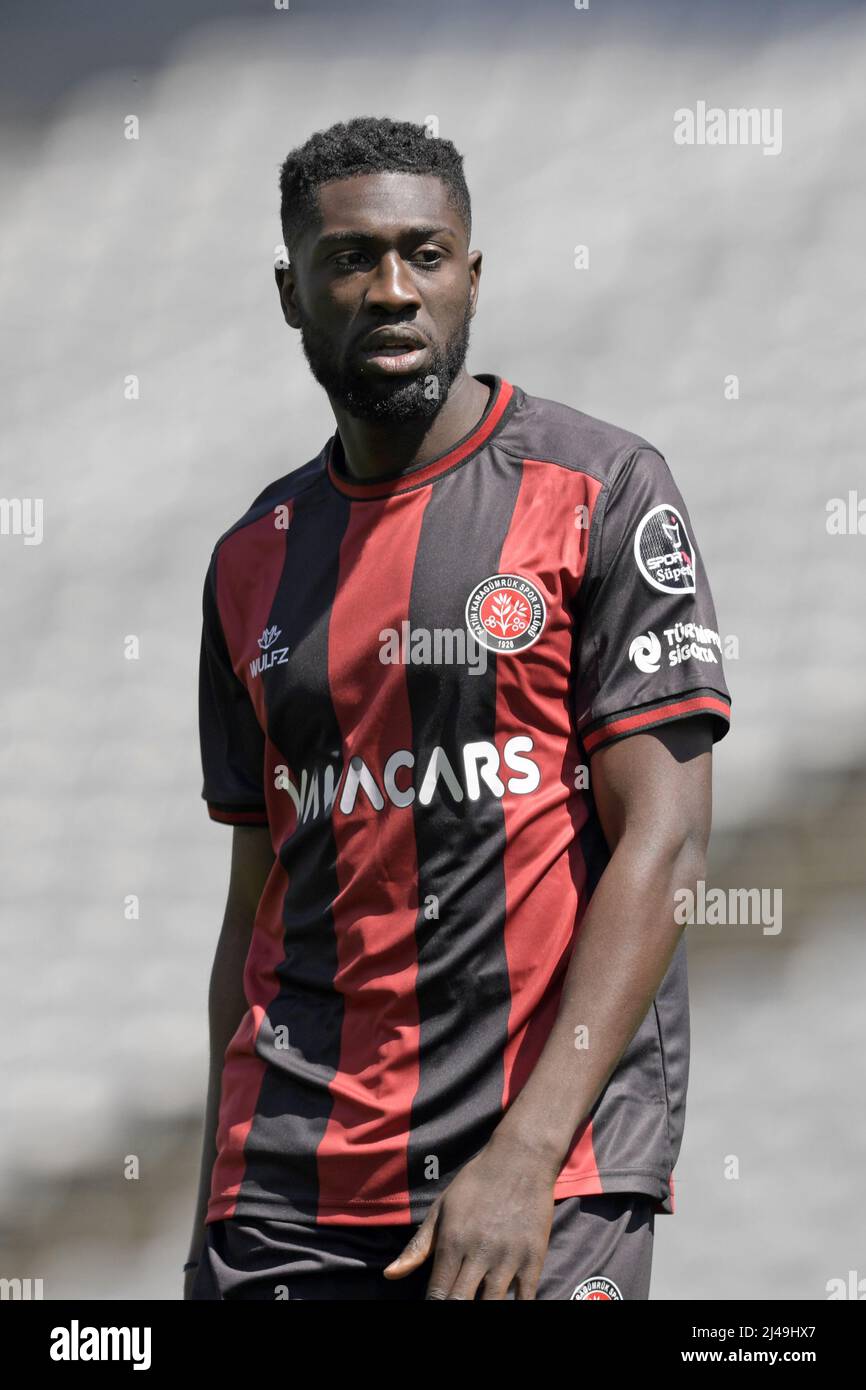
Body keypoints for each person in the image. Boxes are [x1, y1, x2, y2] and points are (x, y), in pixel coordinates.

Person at [185, 116, 731, 1301]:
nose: (390, 290)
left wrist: (525, 1153)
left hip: (541, 1168)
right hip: (285, 1191)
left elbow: (669, 838)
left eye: (423, 255)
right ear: (290, 292)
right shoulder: (250, 559)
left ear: (471, 275)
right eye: (349, 259)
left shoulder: (600, 491)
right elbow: (256, 897)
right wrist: (214, 1195)